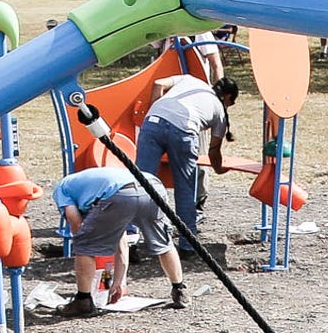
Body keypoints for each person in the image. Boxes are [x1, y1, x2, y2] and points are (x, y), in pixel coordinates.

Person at [49, 164, 185, 315]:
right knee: (164, 243)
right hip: (153, 186)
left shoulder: (62, 189)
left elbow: (76, 224)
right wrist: (118, 281)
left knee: (84, 245)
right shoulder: (91, 185)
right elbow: (121, 240)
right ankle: (180, 290)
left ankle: (83, 301)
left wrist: (87, 245)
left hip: (119, 193)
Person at [138, 63, 230, 245]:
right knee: (185, 189)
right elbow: (213, 151)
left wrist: (153, 110)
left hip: (152, 123)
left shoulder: (189, 80)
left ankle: (130, 239)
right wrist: (219, 169)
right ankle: (187, 245)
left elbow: (158, 84)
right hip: (183, 131)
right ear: (227, 97)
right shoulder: (219, 111)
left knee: (140, 185)